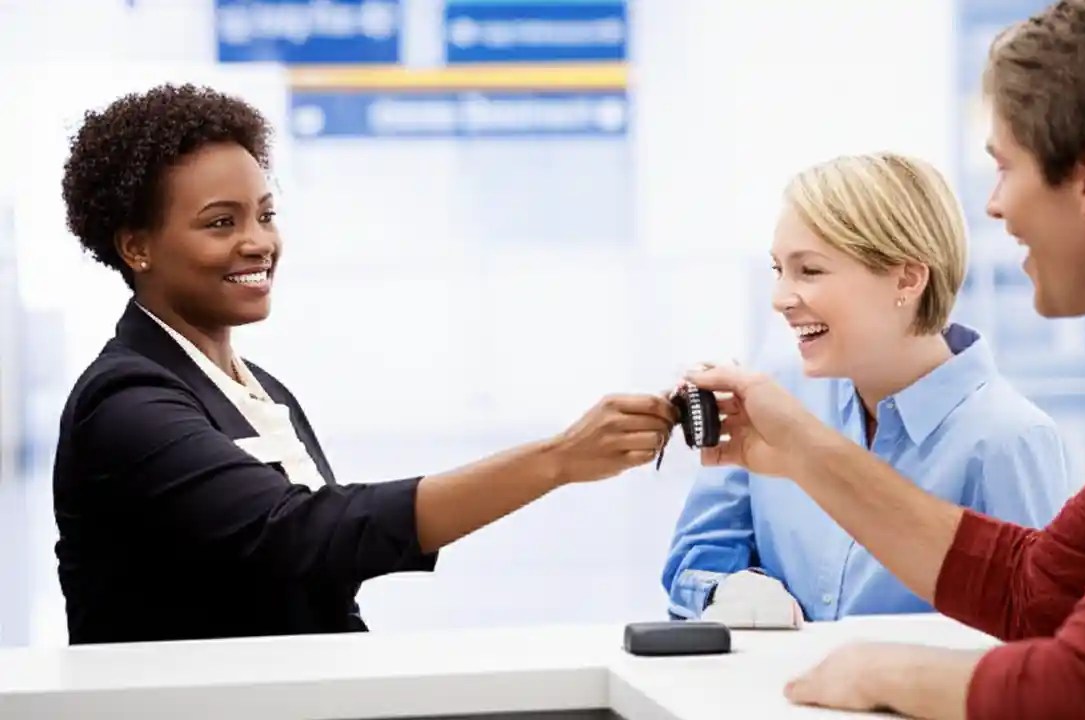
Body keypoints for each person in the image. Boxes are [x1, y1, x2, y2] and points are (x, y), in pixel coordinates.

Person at [685, 0, 1085, 717]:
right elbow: (1033, 589)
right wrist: (802, 447)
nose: (995, 207)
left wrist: (883, 673)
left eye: (1005, 168)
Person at [52, 83, 677, 645]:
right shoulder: (126, 401)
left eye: (266, 214)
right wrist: (557, 460)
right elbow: (299, 537)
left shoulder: (260, 391)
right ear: (136, 247)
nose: (258, 241)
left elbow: (323, 583)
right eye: (221, 223)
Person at [661, 153, 1070, 627]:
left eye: (809, 270)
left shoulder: (1009, 439)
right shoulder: (772, 399)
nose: (780, 299)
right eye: (778, 269)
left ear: (908, 278)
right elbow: (693, 565)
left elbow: (1038, 632)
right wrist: (729, 592)